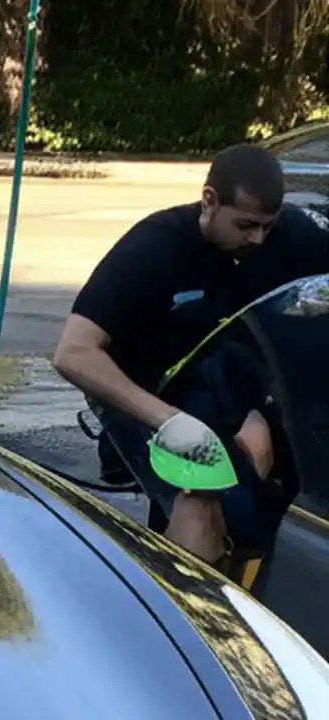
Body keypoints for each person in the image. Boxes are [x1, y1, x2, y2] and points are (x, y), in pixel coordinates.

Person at [54, 143, 329, 567]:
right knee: (200, 489)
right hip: (144, 395)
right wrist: (168, 419)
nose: (256, 238)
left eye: (266, 227)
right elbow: (73, 353)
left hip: (231, 383)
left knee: (262, 464)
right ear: (209, 202)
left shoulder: (289, 236)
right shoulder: (153, 247)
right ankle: (190, 603)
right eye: (245, 225)